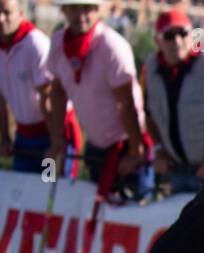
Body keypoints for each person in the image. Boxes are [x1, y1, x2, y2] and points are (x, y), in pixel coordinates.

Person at [46, 0, 152, 200]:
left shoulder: (111, 46)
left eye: (87, 8)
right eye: (74, 9)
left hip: (125, 146)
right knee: (94, 210)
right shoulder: (58, 43)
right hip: (96, 147)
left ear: (97, 10)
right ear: (64, 11)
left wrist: (135, 151)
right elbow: (57, 91)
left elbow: (127, 103)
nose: (81, 15)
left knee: (133, 213)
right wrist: (56, 139)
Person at [142, 8, 204, 193]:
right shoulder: (149, 70)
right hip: (180, 171)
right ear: (157, 40)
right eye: (169, 36)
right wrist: (158, 150)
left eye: (182, 33)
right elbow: (147, 113)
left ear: (193, 35)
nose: (177, 41)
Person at [0, 0, 80, 175]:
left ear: (20, 13)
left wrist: (55, 144)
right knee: (24, 194)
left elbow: (49, 97)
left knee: (50, 192)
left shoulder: (35, 45)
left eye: (6, 12)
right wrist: (4, 138)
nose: (1, 18)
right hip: (25, 136)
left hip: (50, 132)